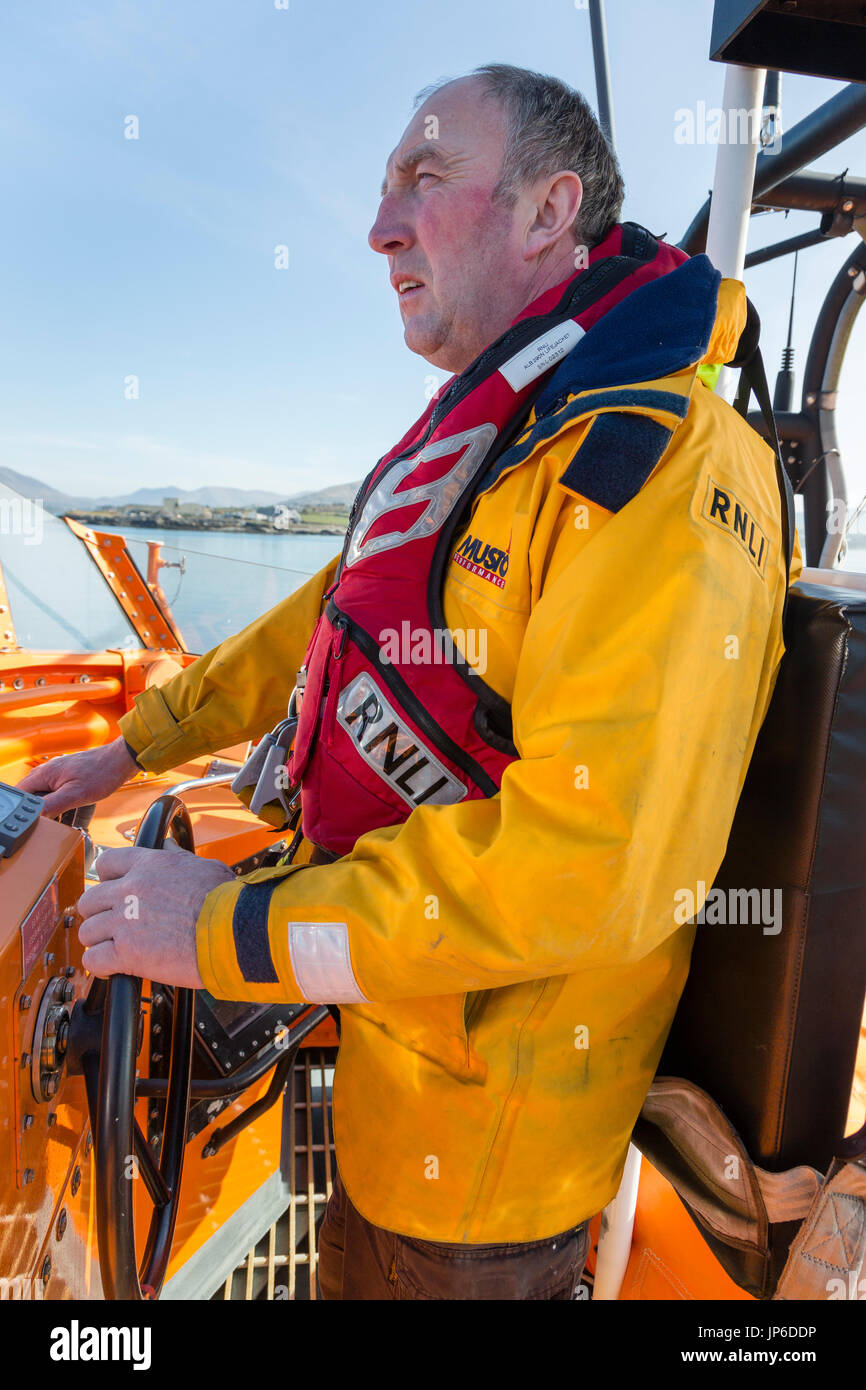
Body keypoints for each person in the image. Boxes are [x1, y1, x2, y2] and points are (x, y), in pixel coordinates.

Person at [19, 63, 800, 1300]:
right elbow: (333, 611)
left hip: (488, 1197)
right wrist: (134, 749)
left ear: (548, 214)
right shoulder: (498, 432)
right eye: (382, 185)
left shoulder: (659, 468)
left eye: (422, 180)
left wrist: (216, 928)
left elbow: (586, 871)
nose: (377, 224)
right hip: (387, 1104)